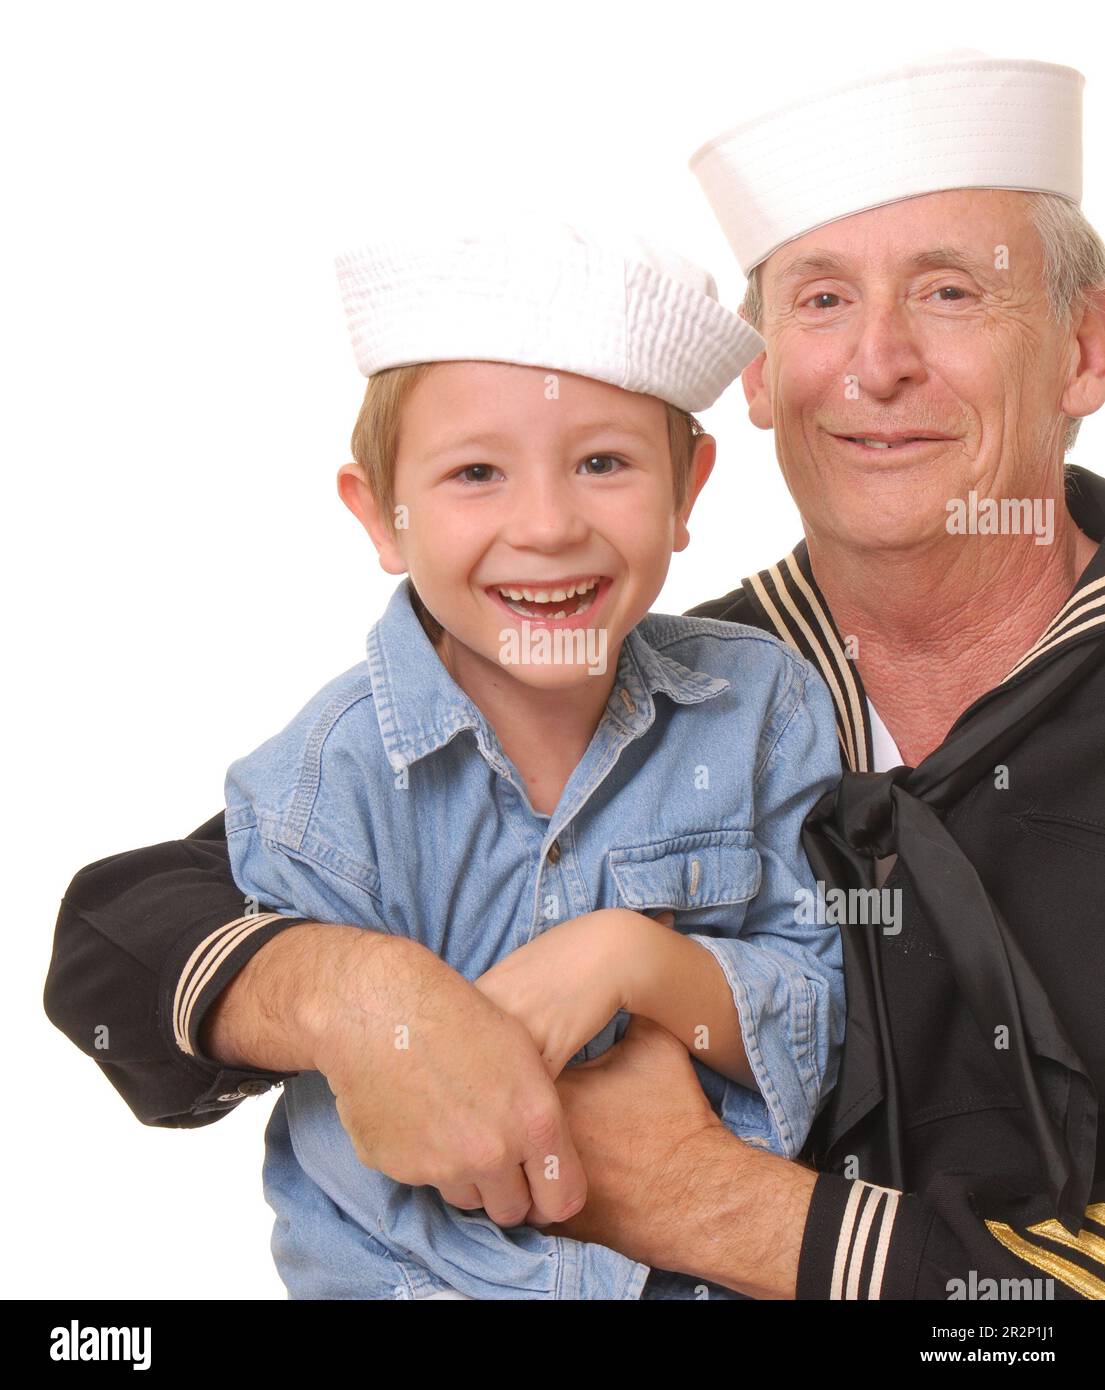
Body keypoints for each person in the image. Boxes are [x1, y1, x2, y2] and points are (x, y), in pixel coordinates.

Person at [46, 52, 1105, 1300]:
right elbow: (124, 939)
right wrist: (356, 994)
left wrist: (714, 1204)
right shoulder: (663, 684)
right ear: (759, 373)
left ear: (1084, 352)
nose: (877, 365)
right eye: (819, 302)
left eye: (949, 293)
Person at [101, 218, 845, 1300]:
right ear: (380, 514)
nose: (545, 525)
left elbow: (827, 1012)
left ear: (687, 492)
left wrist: (633, 958)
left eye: (602, 463)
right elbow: (359, 1172)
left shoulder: (761, 705)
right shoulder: (324, 784)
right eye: (476, 473)